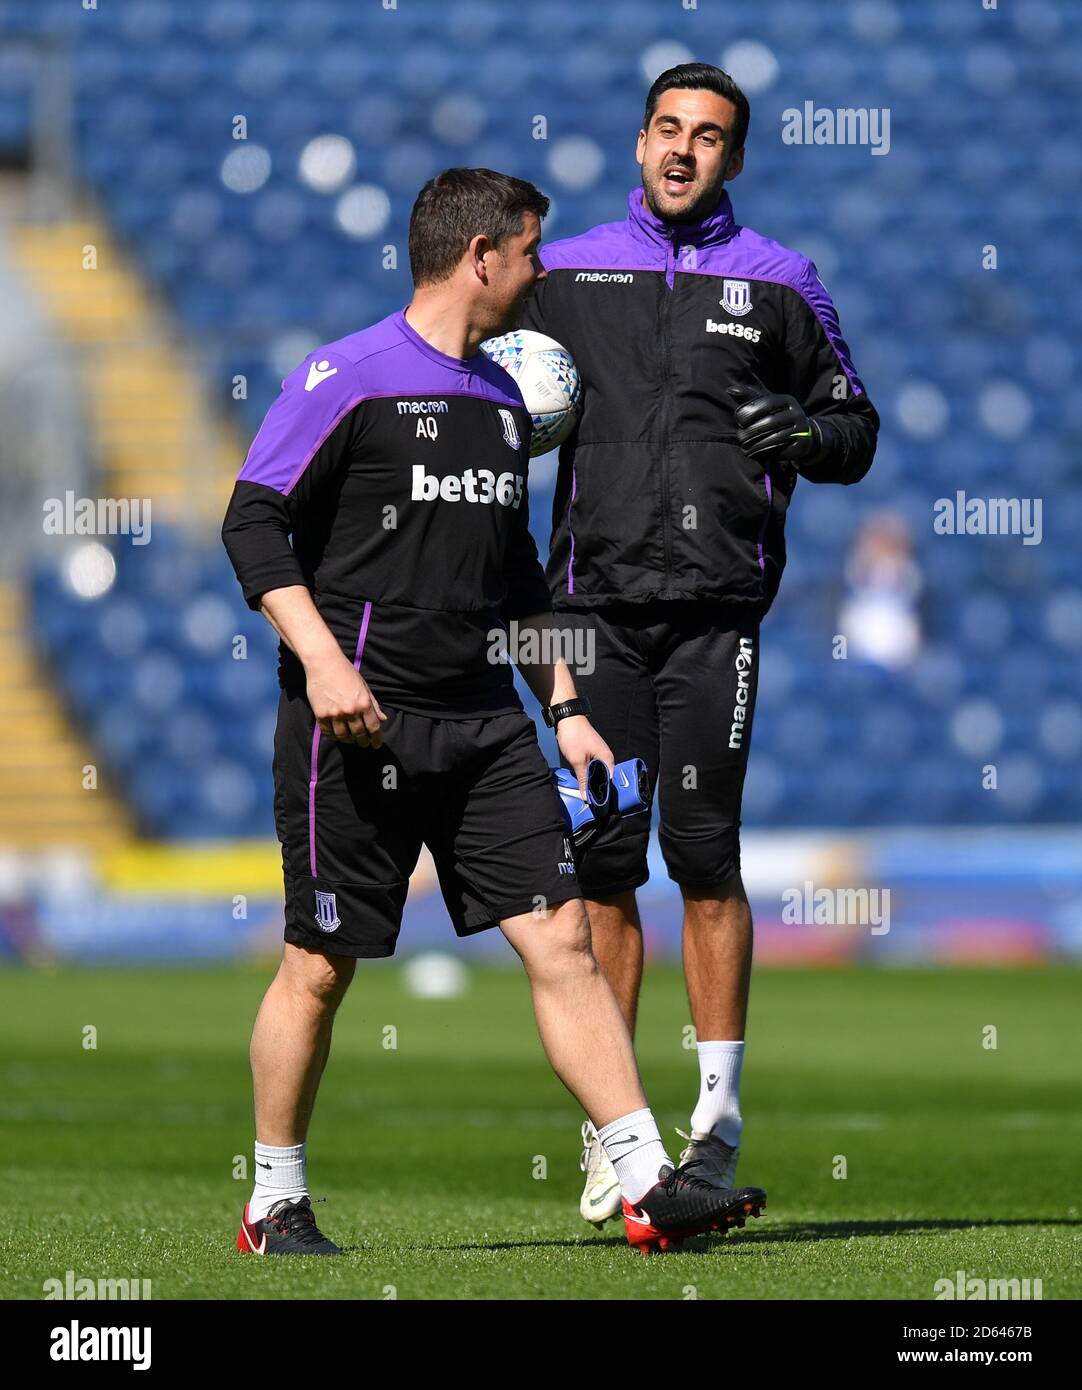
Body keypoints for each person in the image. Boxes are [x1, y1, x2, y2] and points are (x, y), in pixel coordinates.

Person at [221, 166, 766, 1256]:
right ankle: (272, 1198)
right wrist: (324, 663)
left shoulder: (505, 399)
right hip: (358, 725)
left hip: (484, 725)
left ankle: (647, 1180)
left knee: (562, 935)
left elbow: (517, 573)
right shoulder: (344, 376)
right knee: (320, 966)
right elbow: (252, 524)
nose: (536, 273)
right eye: (527, 253)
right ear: (481, 257)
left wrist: (562, 703)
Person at [519, 64, 879, 1226]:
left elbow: (854, 425)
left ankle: (713, 1133)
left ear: (733, 157)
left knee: (706, 857)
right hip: (588, 609)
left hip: (716, 615)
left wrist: (812, 431)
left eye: (708, 136)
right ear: (637, 144)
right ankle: (614, 1134)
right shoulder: (562, 273)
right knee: (602, 866)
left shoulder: (779, 281)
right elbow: (470, 374)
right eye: (667, 130)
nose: (683, 150)